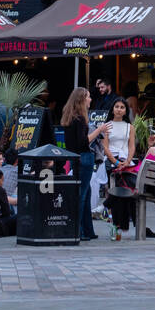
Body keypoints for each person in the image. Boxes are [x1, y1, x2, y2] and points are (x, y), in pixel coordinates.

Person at [60, 87, 99, 241]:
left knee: (86, 193)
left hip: (75, 158)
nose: (90, 100)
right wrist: (99, 130)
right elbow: (83, 142)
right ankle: (79, 230)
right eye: (88, 97)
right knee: (82, 195)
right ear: (82, 100)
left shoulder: (70, 117)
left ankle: (88, 230)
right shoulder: (81, 119)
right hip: (84, 157)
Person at [99, 98, 138, 239]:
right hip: (112, 161)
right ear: (112, 108)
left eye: (122, 107)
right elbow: (105, 147)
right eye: (116, 106)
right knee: (115, 193)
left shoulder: (130, 127)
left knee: (122, 195)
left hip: (126, 162)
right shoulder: (107, 126)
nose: (119, 109)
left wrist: (127, 161)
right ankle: (115, 228)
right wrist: (115, 162)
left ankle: (115, 221)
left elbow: (132, 146)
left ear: (126, 110)